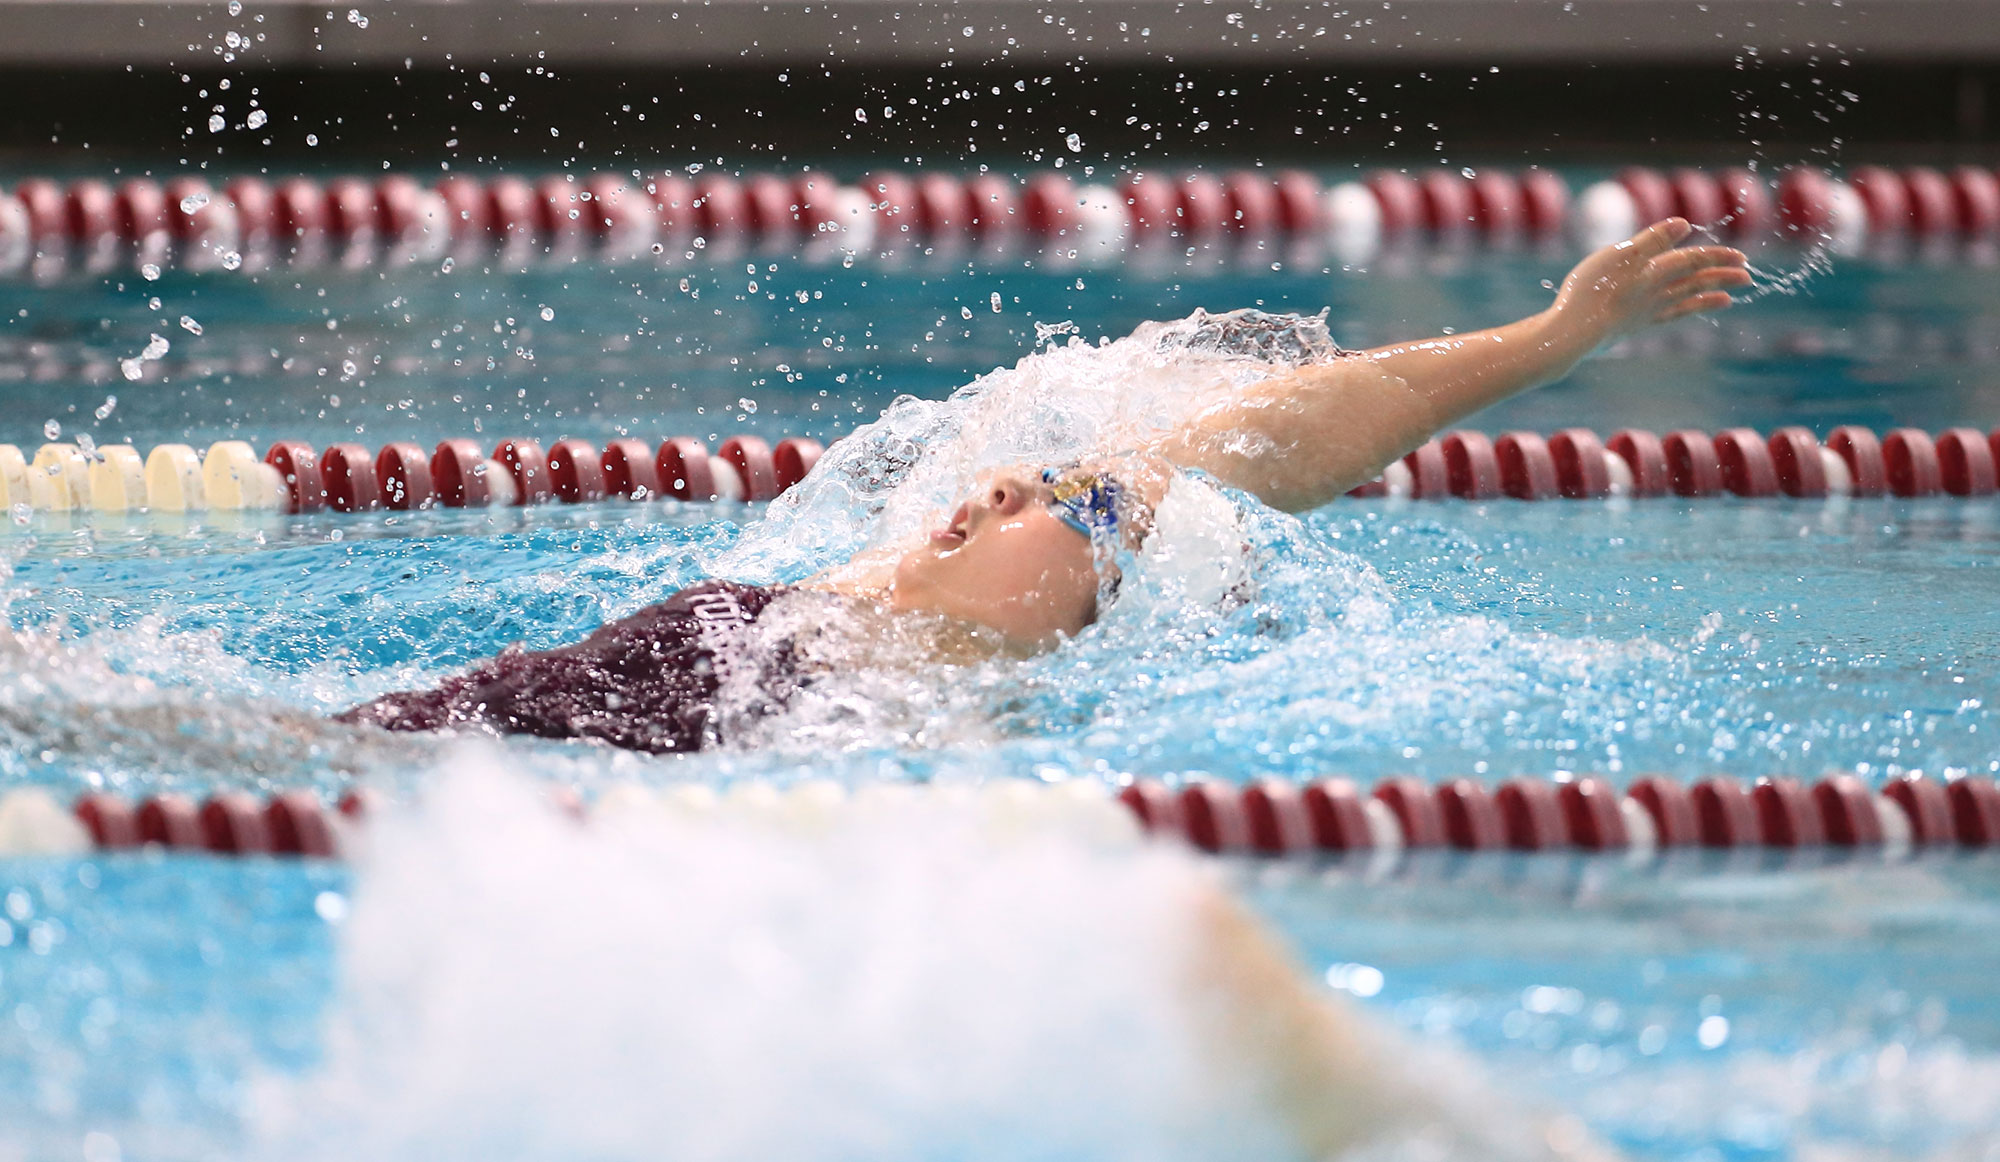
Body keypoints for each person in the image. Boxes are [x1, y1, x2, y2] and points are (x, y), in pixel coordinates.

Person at [338, 218, 1749, 751]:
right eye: (1053, 480)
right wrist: (1546, 339)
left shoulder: (924, 720)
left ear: (1098, 620)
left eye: (1075, 515)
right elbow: (1278, 434)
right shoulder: (817, 623)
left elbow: (1272, 458)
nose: (1019, 485)